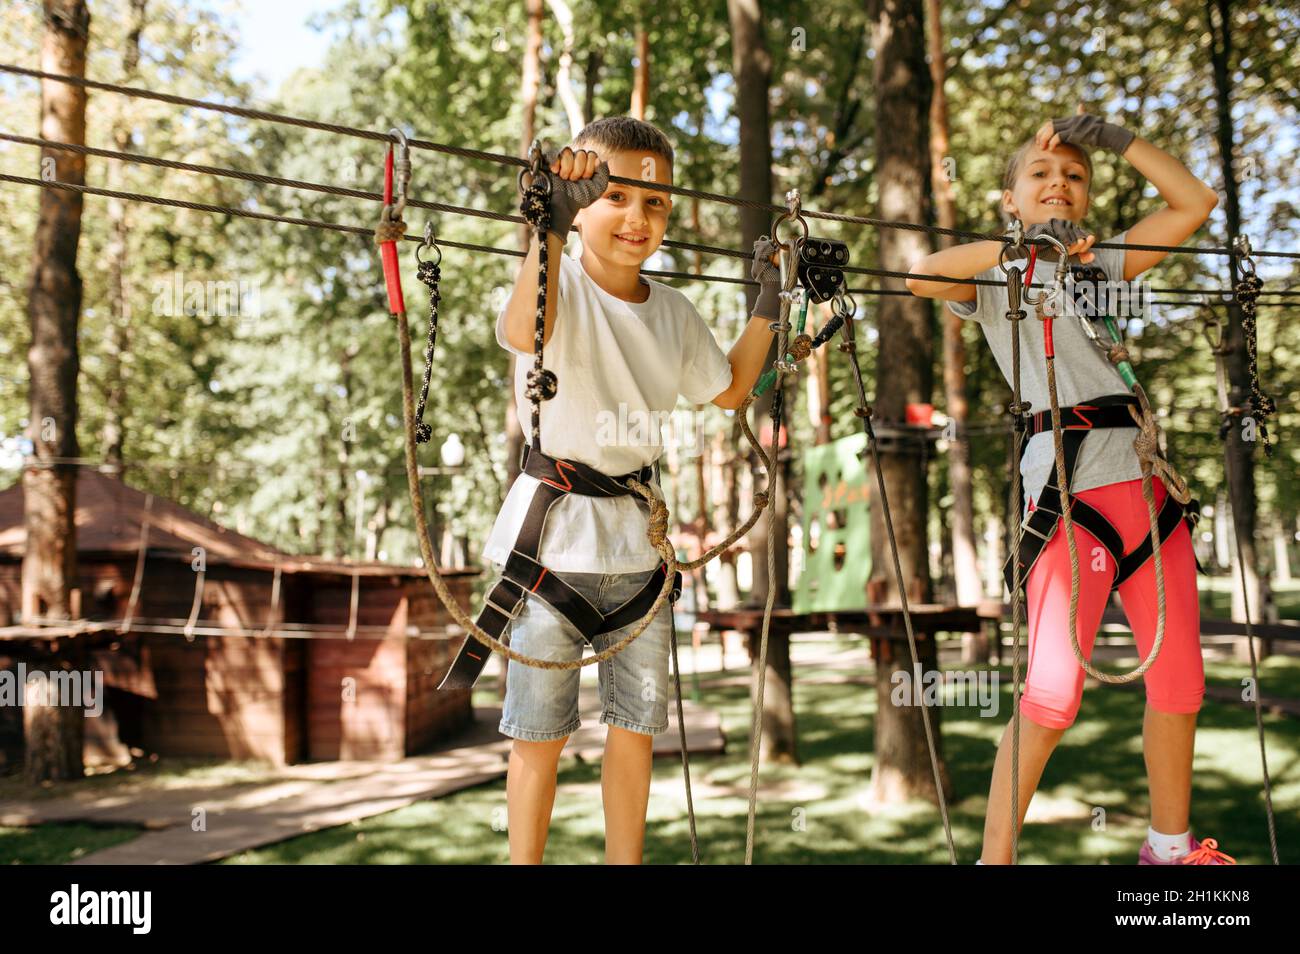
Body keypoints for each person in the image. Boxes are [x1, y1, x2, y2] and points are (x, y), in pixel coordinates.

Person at [907, 111, 1235, 865]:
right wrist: (1017, 246)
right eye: (1041, 176)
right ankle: (995, 860)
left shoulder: (1101, 266)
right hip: (1070, 497)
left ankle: (1169, 850)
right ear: (1011, 199)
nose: (1059, 183)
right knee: (1053, 697)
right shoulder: (995, 275)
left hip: (1150, 496)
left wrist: (1116, 137)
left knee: (1182, 685)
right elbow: (922, 275)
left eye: (1075, 177)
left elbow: (1193, 203)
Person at [485, 115, 784, 864]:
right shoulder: (558, 280)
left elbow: (732, 389)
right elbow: (525, 327)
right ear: (582, 205)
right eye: (615, 197)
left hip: (639, 559)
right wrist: (547, 225)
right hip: (550, 550)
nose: (637, 218)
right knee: (538, 736)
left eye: (655, 204)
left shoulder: (675, 314)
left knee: (637, 730)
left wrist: (769, 300)